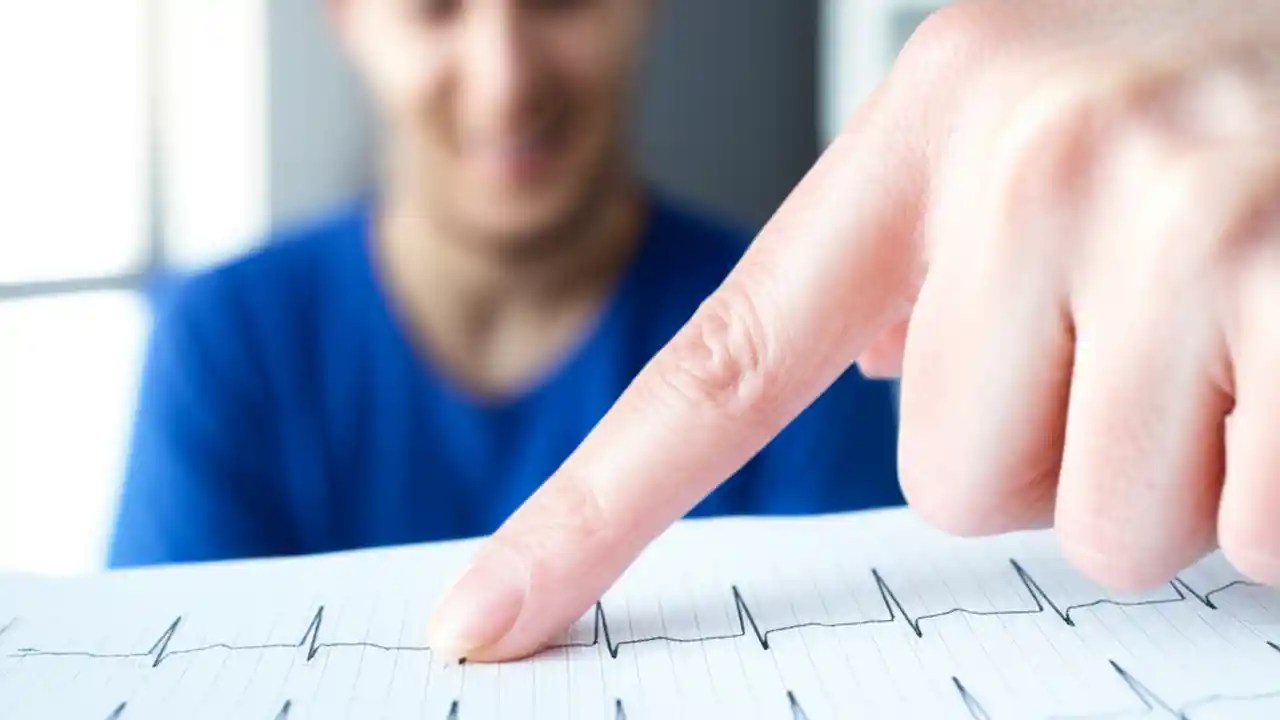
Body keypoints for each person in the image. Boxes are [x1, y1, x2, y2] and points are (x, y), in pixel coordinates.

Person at [426, 0, 1280, 663]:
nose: (505, 82)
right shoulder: (283, 344)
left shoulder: (828, 350)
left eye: (561, 1)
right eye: (432, 7)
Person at [107, 0, 902, 566]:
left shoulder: (807, 340)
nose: (506, 82)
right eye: (434, 8)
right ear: (346, 18)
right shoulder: (224, 340)